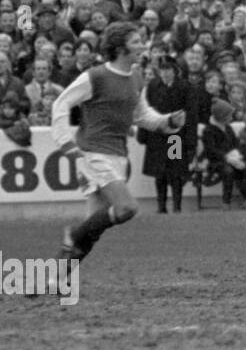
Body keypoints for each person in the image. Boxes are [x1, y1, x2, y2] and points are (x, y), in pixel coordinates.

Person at [50, 22, 186, 263]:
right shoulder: (95, 76)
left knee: (92, 229)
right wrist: (65, 143)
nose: (142, 45)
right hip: (93, 153)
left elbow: (141, 116)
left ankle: (56, 274)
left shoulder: (136, 77)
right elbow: (61, 103)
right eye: (136, 41)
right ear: (120, 48)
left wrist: (167, 121)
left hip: (117, 154)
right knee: (126, 208)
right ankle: (72, 234)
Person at [142, 55, 194, 213]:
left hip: (175, 137)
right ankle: (161, 206)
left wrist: (190, 140)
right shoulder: (153, 86)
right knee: (159, 172)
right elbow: (145, 111)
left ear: (175, 70)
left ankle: (177, 205)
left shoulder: (184, 87)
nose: (164, 73)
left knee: (175, 171)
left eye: (168, 69)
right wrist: (144, 134)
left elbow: (191, 114)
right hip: (157, 135)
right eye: (162, 70)